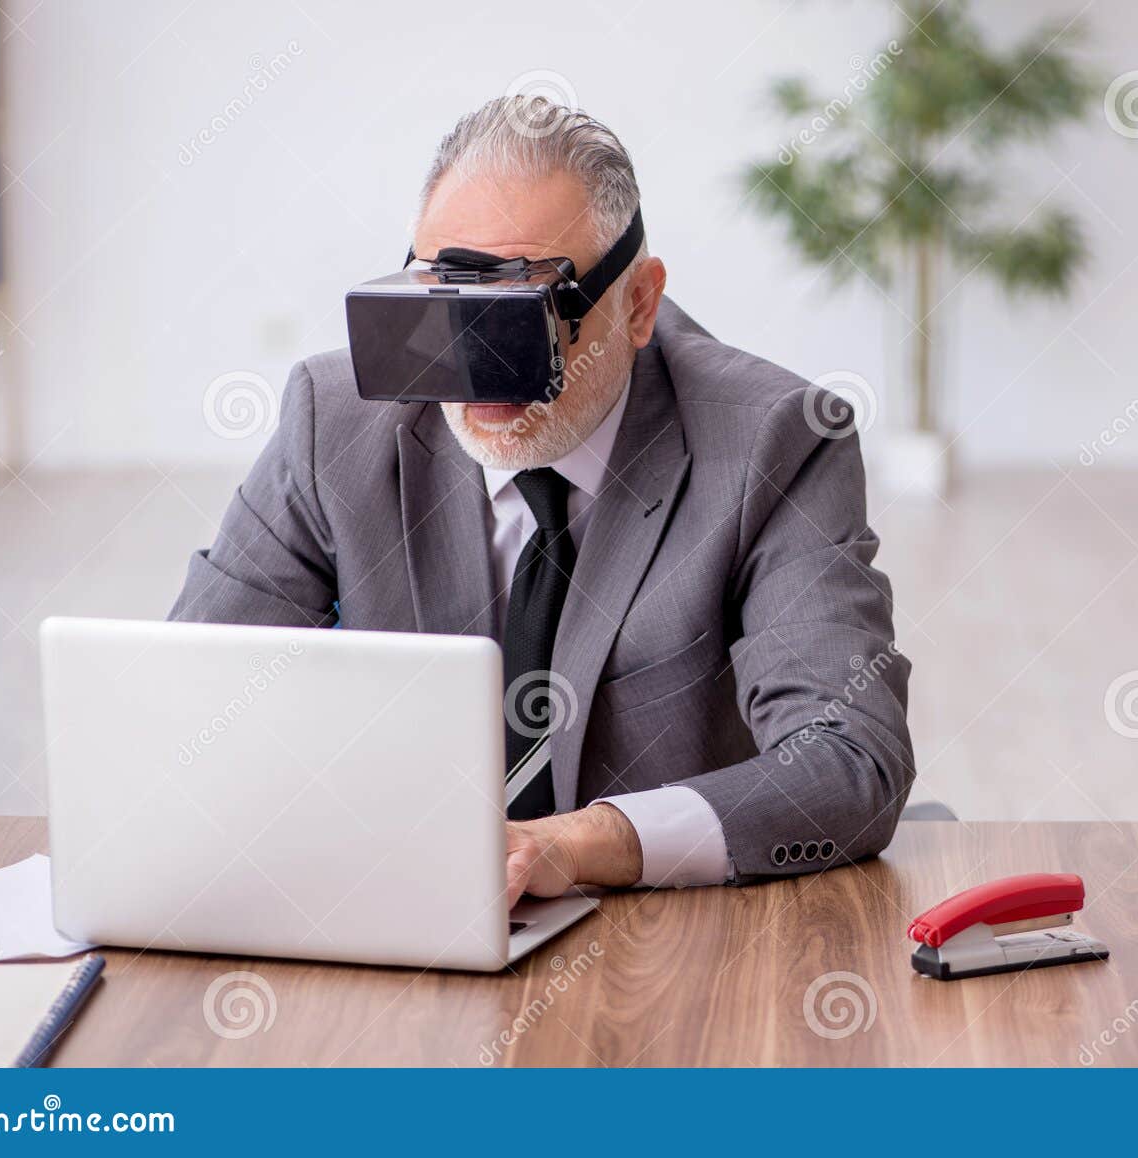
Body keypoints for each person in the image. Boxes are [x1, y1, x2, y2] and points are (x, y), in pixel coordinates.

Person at [171, 95, 913, 905]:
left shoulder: (773, 443)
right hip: (401, 908)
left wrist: (583, 842)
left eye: (520, 319)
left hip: (669, 943)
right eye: (446, 308)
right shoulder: (336, 421)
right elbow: (193, 703)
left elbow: (849, 762)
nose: (477, 373)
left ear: (637, 304)